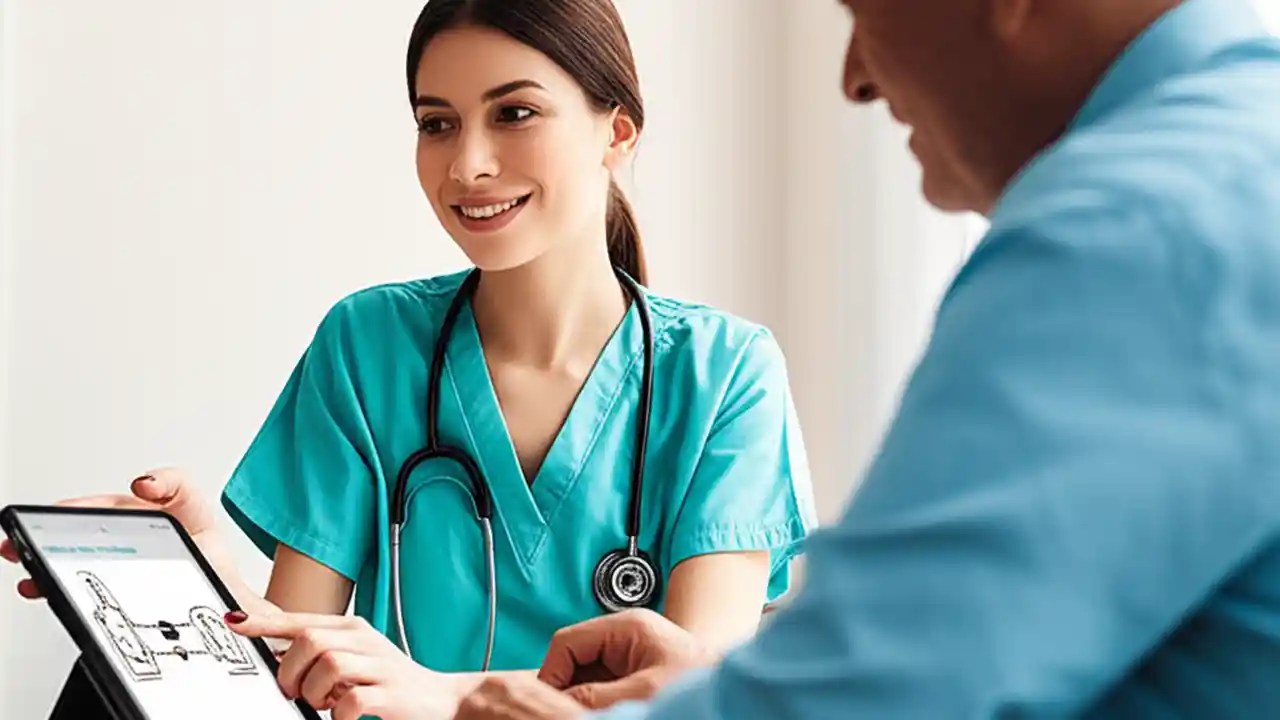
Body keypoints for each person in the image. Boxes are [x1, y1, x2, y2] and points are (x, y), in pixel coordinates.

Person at [446, 0, 1280, 717]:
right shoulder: (1238, 150)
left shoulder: (1129, 226)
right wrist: (719, 691)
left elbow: (876, 695)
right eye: (435, 121)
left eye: (863, 11)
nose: (855, 78)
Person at [2, 0, 817, 717]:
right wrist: (207, 574)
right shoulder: (368, 345)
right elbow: (296, 674)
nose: (468, 165)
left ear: (618, 130)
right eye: (437, 123)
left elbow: (694, 699)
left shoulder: (724, 373)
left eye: (515, 113)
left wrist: (440, 696)